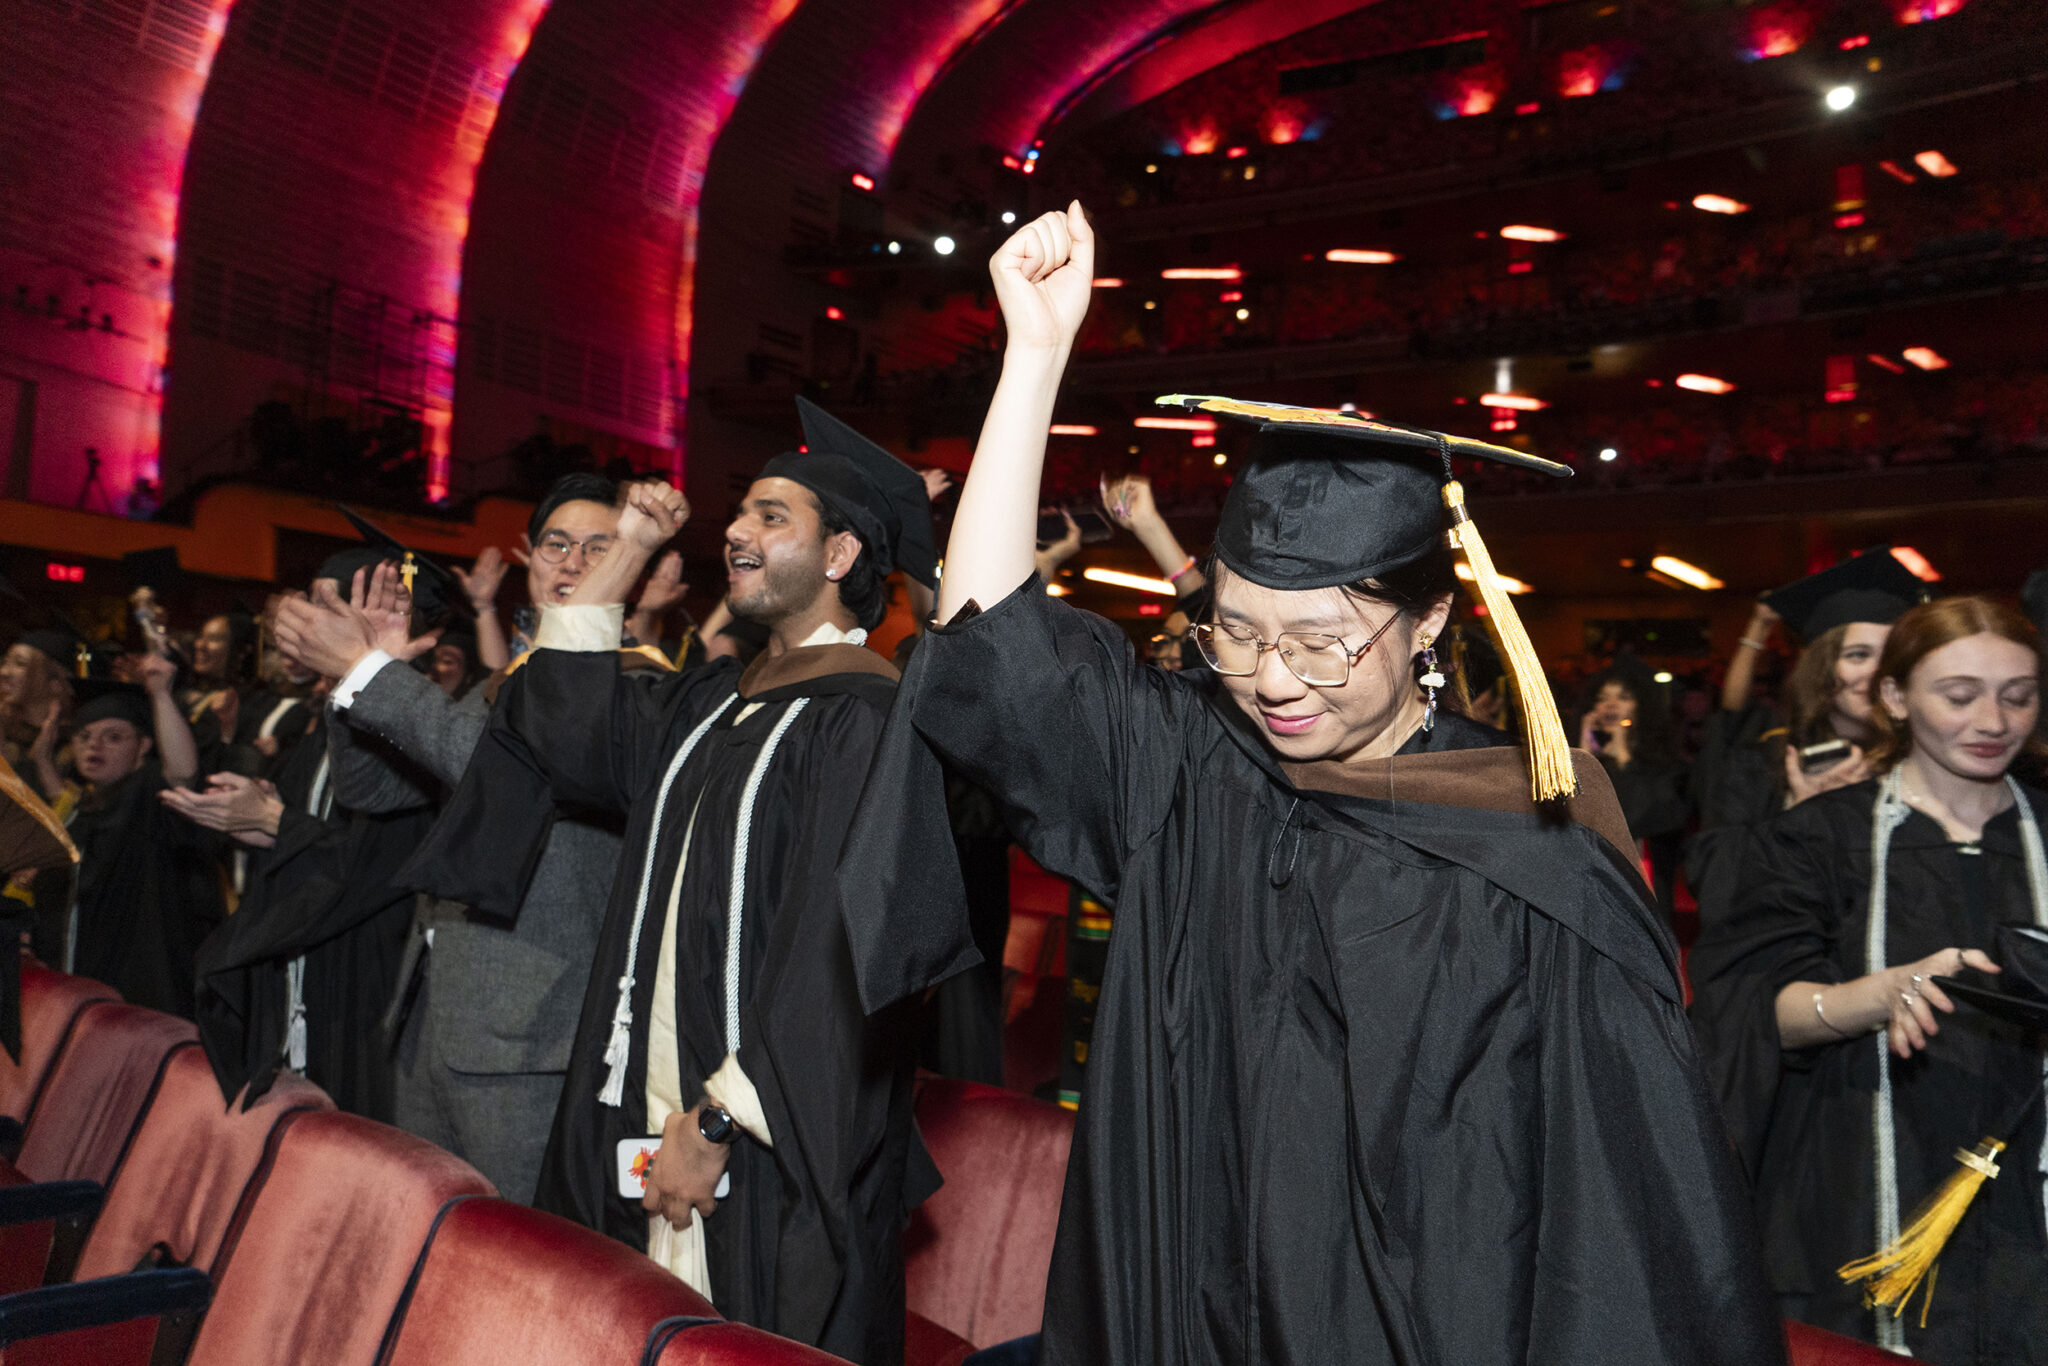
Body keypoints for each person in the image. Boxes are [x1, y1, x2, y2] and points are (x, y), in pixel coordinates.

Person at [874, 204, 1782, 1365]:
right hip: (1183, 1316)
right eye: (1235, 632)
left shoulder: (1531, 846)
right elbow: (987, 641)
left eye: (1322, 640)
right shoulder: (1195, 767)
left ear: (1431, 624)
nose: (1271, 679)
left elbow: (1617, 1217)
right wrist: (1034, 357)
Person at [398, 400, 972, 1363]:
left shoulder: (868, 724)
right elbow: (563, 732)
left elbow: (844, 955)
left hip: (756, 1136)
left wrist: (718, 1122)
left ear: (838, 557)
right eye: (740, 513)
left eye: (771, 517)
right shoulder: (712, 702)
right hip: (636, 1104)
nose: (737, 533)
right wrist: (624, 547)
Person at [269, 475, 671, 1202]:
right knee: (433, 1243)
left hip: (533, 1036)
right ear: (530, 558)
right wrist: (356, 686)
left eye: (597, 547)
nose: (571, 563)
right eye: (555, 544)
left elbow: (502, 772)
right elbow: (373, 791)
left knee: (522, 1259)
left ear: (632, 566)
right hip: (435, 1011)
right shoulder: (505, 681)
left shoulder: (634, 688)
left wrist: (368, 670)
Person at [1689, 595, 2047, 1360]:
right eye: (1959, 695)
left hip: (2032, 1197)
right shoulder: (1818, 834)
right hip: (1865, 1173)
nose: (1993, 720)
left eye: (2018, 696)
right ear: (1895, 696)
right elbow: (1750, 1008)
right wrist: (1878, 994)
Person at [176, 554, 442, 1121]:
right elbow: (313, 830)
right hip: (313, 965)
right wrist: (252, 816)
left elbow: (384, 865)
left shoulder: (412, 726)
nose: (303, 628)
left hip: (369, 971)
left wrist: (278, 824)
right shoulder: (330, 719)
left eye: (326, 611)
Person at [1687, 552, 1928, 927]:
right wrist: (1799, 817)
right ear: (1822, 668)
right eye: (1858, 655)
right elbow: (1714, 885)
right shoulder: (1767, 763)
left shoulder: (1926, 763)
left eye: (1891, 656)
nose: (1877, 672)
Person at [49, 660, 222, 1015]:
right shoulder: (83, 807)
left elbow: (184, 773)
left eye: (114, 737)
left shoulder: (150, 794)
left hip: (144, 984)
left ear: (144, 745)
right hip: (86, 976)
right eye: (84, 736)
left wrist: (160, 695)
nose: (93, 745)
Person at [1580, 652, 1690, 919]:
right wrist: (1583, 750)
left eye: (1622, 697)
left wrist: (1624, 758)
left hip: (1644, 891)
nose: (1610, 705)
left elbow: (1643, 821)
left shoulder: (1663, 765)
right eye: (1603, 698)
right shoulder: (1591, 761)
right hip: (1593, 887)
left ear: (1641, 707)